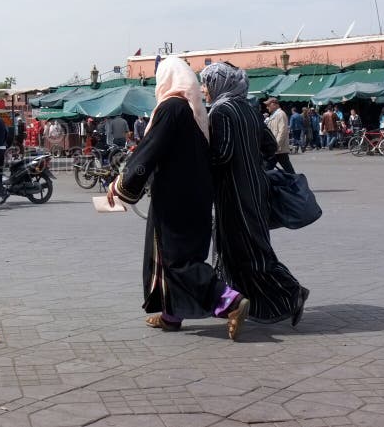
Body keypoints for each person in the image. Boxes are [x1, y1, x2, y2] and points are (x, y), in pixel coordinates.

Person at [107, 57, 250, 340]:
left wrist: (122, 184)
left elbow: (150, 150)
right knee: (178, 255)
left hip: (175, 200)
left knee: (176, 261)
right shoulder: (195, 112)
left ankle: (229, 300)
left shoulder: (171, 108)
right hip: (195, 197)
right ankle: (171, 315)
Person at [201, 62, 309, 327]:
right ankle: (238, 303)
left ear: (218, 84)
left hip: (235, 193)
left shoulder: (220, 111)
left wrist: (198, 166)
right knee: (250, 246)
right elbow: (270, 146)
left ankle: (291, 291)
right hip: (255, 188)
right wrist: (252, 165)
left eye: (206, 83)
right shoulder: (247, 108)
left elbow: (222, 153)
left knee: (246, 249)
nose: (203, 89)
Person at [264, 97, 295, 173]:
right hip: (276, 148)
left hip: (279, 148)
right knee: (267, 168)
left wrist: (277, 145)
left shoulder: (280, 114)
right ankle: (295, 182)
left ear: (274, 105)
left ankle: (296, 182)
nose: (267, 107)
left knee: (267, 168)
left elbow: (282, 131)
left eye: (268, 105)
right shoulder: (273, 115)